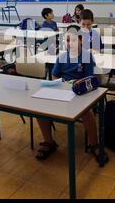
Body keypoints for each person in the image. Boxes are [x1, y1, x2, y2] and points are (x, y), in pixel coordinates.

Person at [35, 25, 108, 163]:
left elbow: (90, 78)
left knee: (87, 113)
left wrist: (75, 83)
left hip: (82, 92)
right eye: (67, 40)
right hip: (63, 91)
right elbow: (55, 76)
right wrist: (62, 85)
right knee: (41, 109)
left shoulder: (87, 56)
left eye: (73, 40)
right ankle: (49, 142)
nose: (70, 43)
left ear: (81, 40)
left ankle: (94, 144)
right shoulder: (62, 57)